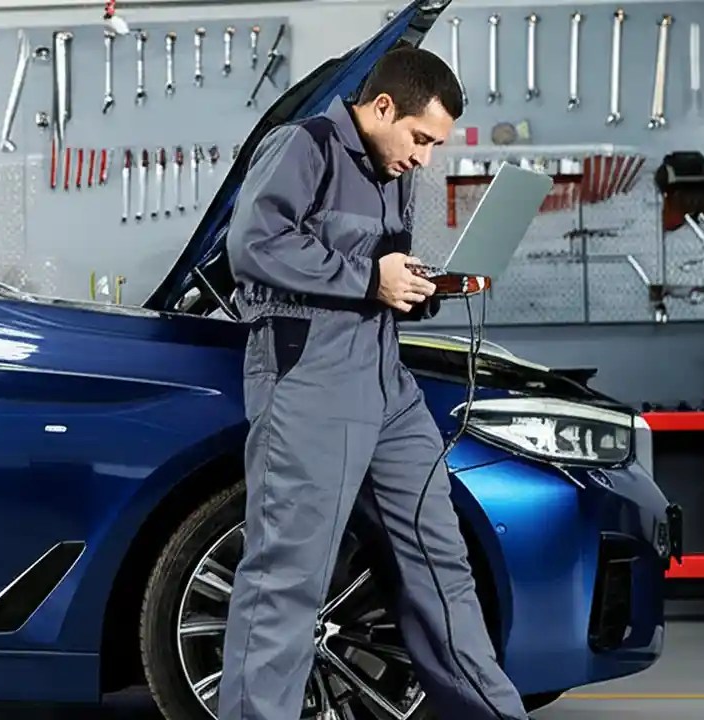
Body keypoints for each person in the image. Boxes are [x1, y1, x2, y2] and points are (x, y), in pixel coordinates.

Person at [218, 47, 531, 720]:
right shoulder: (305, 146)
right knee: (288, 579)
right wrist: (368, 279)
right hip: (311, 377)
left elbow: (374, 266)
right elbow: (254, 246)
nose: (423, 157)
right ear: (382, 107)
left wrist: (420, 288)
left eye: (434, 146)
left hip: (386, 379)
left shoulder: (396, 169)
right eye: (421, 139)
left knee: (439, 562)